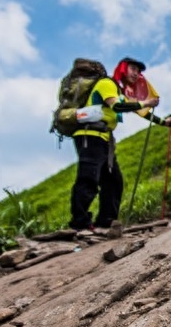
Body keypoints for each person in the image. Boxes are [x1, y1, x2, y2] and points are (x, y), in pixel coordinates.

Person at [68, 58, 165, 233]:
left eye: (139, 71)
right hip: (90, 135)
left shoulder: (119, 91)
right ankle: (79, 223)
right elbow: (118, 107)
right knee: (89, 178)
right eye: (133, 69)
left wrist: (164, 122)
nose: (137, 74)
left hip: (104, 138)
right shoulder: (107, 84)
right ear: (122, 68)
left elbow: (140, 111)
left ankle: (106, 221)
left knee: (113, 181)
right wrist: (146, 102)